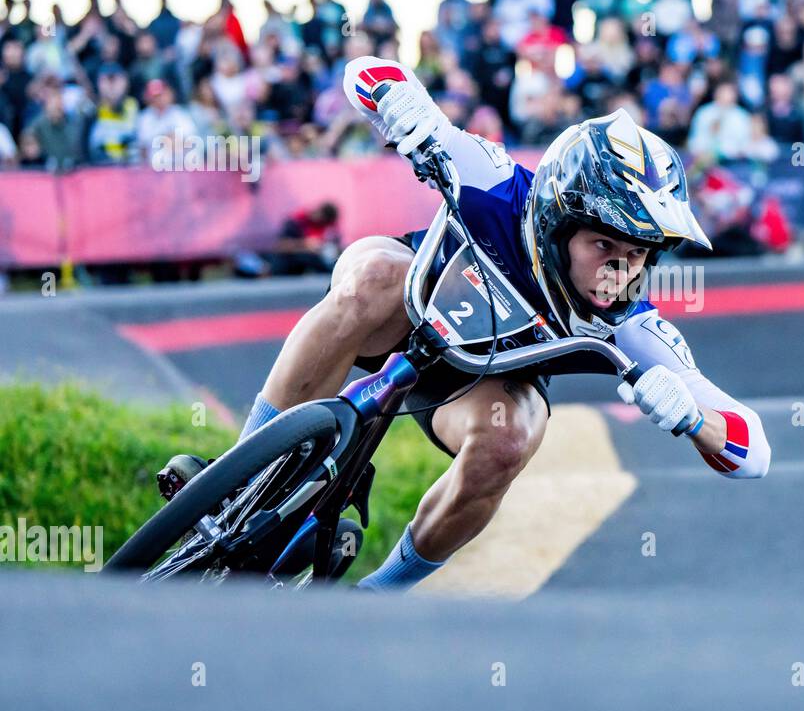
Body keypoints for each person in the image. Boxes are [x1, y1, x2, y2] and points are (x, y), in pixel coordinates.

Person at [170, 56, 771, 592]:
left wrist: (695, 421)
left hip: (475, 385)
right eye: (605, 244)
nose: (621, 270)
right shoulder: (492, 178)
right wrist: (403, 105)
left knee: (512, 436)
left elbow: (754, 448)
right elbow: (366, 73)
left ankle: (381, 595)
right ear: (559, 216)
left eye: (640, 253)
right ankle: (235, 477)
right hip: (401, 312)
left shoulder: (633, 327)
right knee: (373, 276)